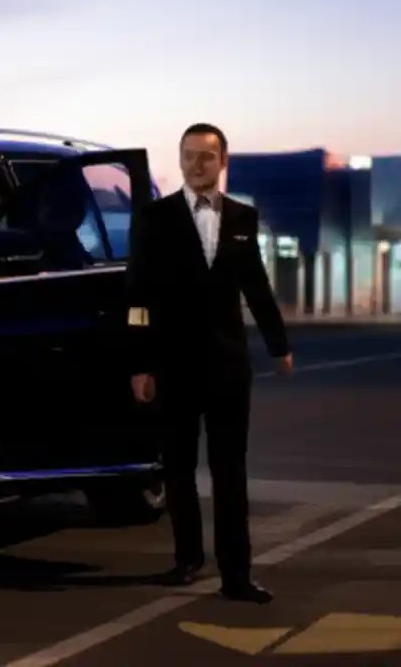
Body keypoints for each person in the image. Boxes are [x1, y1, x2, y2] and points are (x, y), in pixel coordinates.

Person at [126, 123, 294, 604]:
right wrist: (140, 364)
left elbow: (256, 286)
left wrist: (277, 343)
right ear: (179, 160)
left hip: (226, 367)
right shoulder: (153, 218)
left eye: (206, 156)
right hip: (172, 366)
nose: (196, 164)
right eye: (188, 155)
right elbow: (137, 296)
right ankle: (186, 560)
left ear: (223, 162)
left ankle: (236, 576)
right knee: (178, 469)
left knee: (230, 472)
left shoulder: (243, 217)